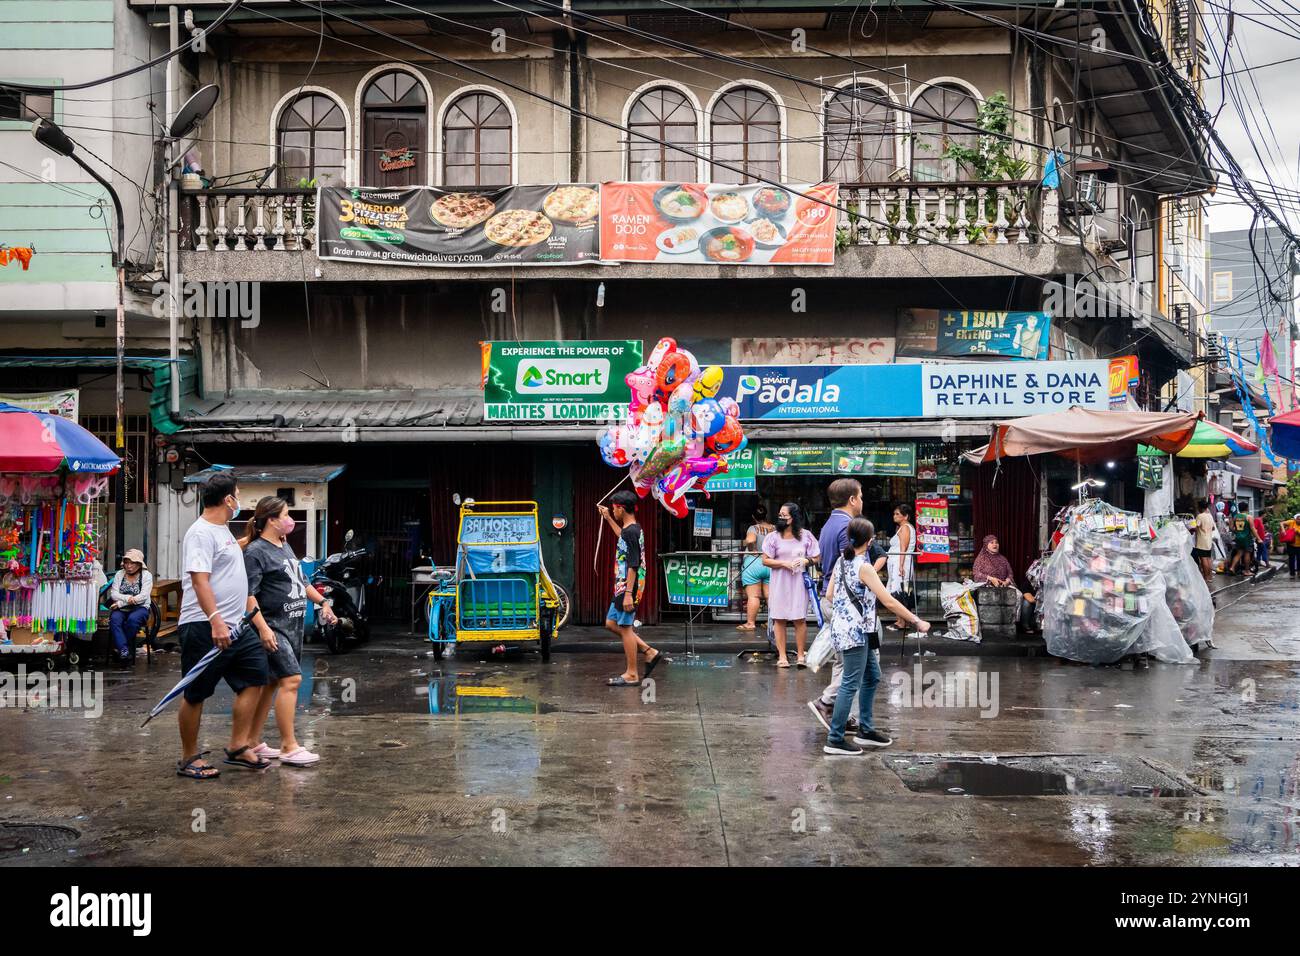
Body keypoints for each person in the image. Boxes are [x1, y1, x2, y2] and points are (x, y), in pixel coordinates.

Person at [175, 472, 272, 779]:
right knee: (196, 693)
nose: (239, 499)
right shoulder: (200, 533)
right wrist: (215, 620)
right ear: (228, 499)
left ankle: (238, 746)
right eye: (238, 494)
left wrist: (250, 538)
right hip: (204, 626)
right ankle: (189, 757)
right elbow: (199, 580)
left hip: (237, 627)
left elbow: (228, 556)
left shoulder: (223, 532)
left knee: (256, 677)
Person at [241, 496, 336, 767]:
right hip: (272, 627)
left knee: (271, 684)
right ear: (271, 520)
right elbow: (248, 595)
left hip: (292, 626)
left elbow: (300, 581)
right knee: (292, 680)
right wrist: (262, 629)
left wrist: (323, 603)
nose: (290, 520)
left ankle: (253, 741)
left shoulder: (283, 545)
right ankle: (288, 746)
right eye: (285, 514)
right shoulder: (256, 552)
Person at [822, 517, 930, 756]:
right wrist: (916, 621)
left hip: (853, 629)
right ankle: (835, 738)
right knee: (850, 683)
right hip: (855, 632)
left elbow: (829, 594)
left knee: (872, 676)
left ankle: (866, 730)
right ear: (870, 542)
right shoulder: (864, 566)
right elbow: (888, 600)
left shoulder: (842, 561)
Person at [809, 478, 886, 731]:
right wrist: (872, 576)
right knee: (861, 663)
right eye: (861, 495)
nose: (862, 500)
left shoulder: (829, 525)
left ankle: (843, 717)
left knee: (846, 663)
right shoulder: (847, 527)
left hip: (833, 600)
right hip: (849, 606)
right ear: (852, 499)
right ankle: (828, 704)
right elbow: (850, 566)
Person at [599, 490, 665, 687]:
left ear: (621, 507)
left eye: (614, 508)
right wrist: (609, 518)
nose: (613, 511)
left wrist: (628, 593)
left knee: (626, 628)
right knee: (611, 623)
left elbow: (634, 563)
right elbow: (622, 538)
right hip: (622, 586)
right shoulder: (630, 530)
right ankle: (648, 651)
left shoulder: (632, 531)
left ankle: (632, 674)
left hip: (628, 587)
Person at [762, 501, 820, 668]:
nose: (781, 518)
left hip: (798, 582)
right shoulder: (772, 537)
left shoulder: (806, 535)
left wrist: (806, 560)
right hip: (779, 582)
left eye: (784, 515)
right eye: (779, 515)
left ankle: (801, 655)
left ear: (793, 518)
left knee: (799, 619)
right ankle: (782, 656)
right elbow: (765, 560)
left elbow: (816, 557)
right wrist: (784, 564)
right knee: (779, 619)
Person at [108, 548, 153, 664]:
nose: (129, 566)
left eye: (132, 563)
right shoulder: (120, 574)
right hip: (122, 608)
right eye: (127, 562)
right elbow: (114, 594)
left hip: (141, 607)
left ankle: (122, 648)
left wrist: (121, 602)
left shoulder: (146, 575)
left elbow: (143, 596)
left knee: (133, 620)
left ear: (139, 564)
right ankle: (124, 650)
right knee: (114, 619)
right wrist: (127, 599)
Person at [738, 503, 774, 631]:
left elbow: (750, 540)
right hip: (770, 563)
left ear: (753, 516)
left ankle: (750, 623)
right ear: (766, 515)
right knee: (770, 595)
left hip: (754, 563)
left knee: (754, 596)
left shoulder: (753, 528)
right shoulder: (774, 528)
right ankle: (772, 623)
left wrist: (753, 549)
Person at [884, 502, 916, 632]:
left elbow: (903, 548)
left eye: (898, 514)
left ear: (906, 516)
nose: (894, 516)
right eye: (894, 513)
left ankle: (902, 621)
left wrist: (901, 565)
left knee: (896, 592)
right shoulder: (903, 528)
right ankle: (900, 620)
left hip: (900, 563)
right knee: (897, 591)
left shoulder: (905, 528)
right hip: (897, 563)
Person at [1227, 504, 1260, 576]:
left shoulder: (1235, 517)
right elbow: (1253, 529)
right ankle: (1247, 571)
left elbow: (1231, 528)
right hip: (1247, 539)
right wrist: (1258, 538)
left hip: (1238, 538)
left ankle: (1232, 568)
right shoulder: (1249, 517)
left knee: (1239, 554)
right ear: (1247, 508)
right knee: (1247, 554)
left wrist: (1238, 532)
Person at [1192, 499, 1216, 586]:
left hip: (1202, 541)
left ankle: (1205, 577)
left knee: (1203, 559)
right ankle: (1209, 577)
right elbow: (1213, 528)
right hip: (1209, 540)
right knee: (1208, 559)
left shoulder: (1200, 516)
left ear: (1199, 507)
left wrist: (1191, 528)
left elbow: (1195, 526)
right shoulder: (1210, 516)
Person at [1283, 512, 1300, 579]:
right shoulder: (1291, 522)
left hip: (1299, 545)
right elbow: (1281, 523)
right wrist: (1283, 530)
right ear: (1295, 519)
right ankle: (1292, 573)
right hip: (1291, 544)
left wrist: (1297, 532)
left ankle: (1299, 572)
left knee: (1299, 559)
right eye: (1298, 519)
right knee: (1291, 559)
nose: (1299, 520)